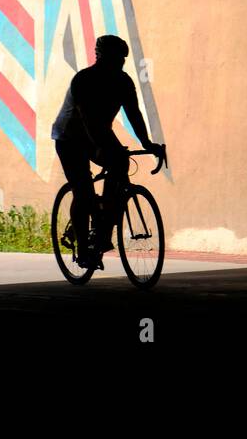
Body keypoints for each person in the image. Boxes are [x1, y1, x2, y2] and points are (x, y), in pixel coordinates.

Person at [52, 35, 165, 269]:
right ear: (101, 58)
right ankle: (83, 248)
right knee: (83, 191)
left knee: (120, 165)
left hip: (99, 132)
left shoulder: (123, 81)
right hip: (70, 137)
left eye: (123, 59)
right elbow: (87, 120)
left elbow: (134, 113)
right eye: (116, 59)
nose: (120, 64)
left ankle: (103, 229)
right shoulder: (83, 80)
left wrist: (147, 142)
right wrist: (102, 148)